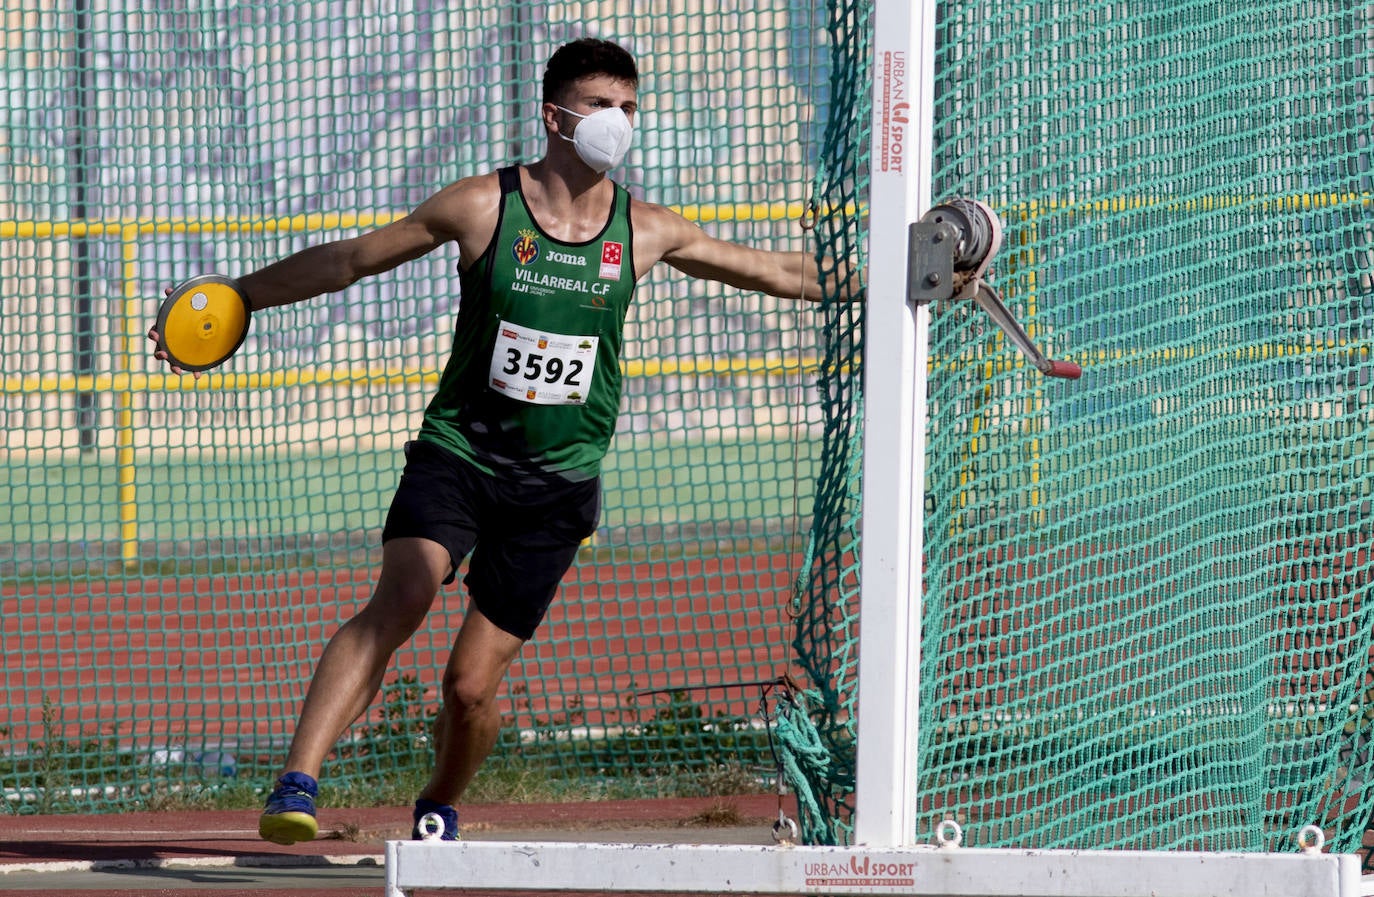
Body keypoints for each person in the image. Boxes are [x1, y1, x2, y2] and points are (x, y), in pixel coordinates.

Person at [150, 37, 851, 845]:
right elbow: (349, 261)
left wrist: (907, 273)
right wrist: (234, 298)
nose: (616, 121)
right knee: (404, 592)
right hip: (461, 453)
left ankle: (439, 800)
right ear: (553, 115)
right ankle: (296, 781)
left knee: (469, 688)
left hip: (556, 487)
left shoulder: (647, 229)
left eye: (628, 107)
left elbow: (773, 271)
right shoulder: (482, 205)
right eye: (598, 105)